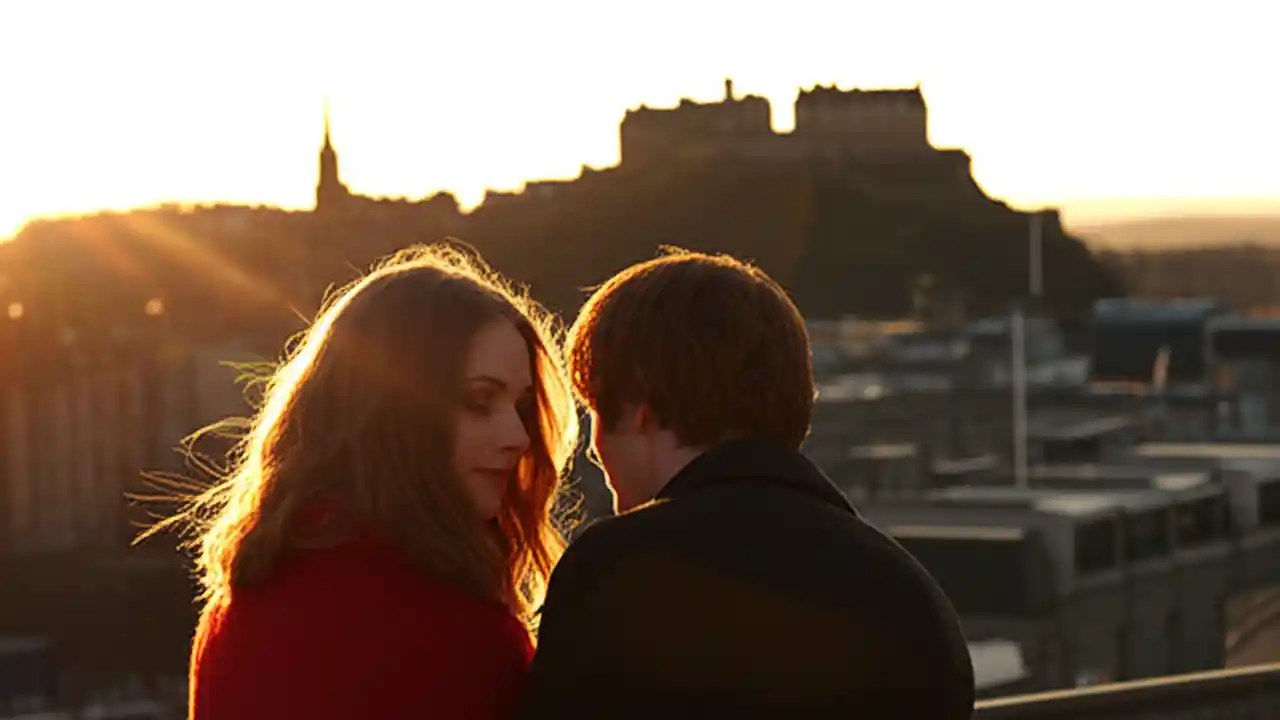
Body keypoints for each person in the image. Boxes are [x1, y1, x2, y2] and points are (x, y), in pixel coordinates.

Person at [519, 249, 975, 718]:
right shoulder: (912, 597)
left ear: (640, 410)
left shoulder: (616, 571)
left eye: (595, 410)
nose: (594, 450)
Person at [155, 244, 578, 719]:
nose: (518, 437)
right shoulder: (454, 633)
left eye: (521, 407)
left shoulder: (241, 606)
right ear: (392, 414)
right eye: (479, 402)